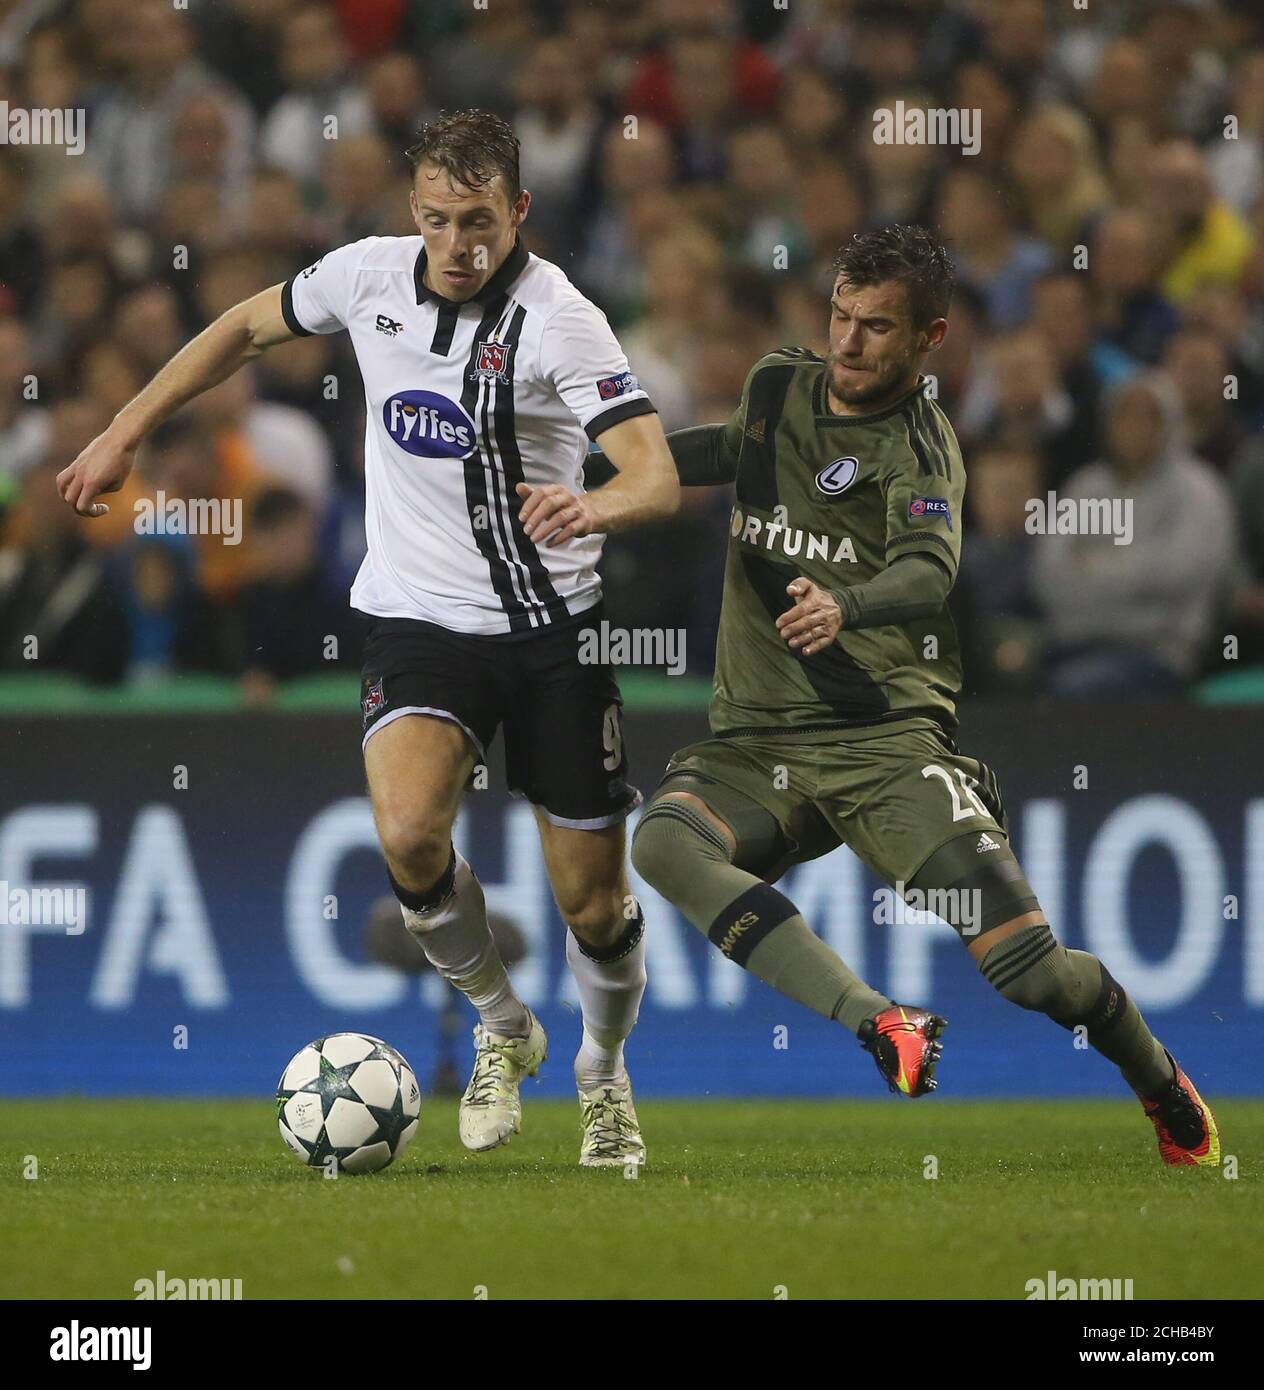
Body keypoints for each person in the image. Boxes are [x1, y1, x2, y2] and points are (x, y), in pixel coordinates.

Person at [55, 109, 681, 1168]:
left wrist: (595, 508)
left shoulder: (562, 320)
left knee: (594, 902)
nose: (456, 244)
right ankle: (503, 1023)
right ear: (413, 211)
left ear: (518, 211)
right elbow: (242, 329)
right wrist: (125, 428)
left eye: (478, 220)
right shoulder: (367, 276)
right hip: (416, 617)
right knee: (405, 837)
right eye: (436, 218)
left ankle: (603, 1072)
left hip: (551, 634)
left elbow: (655, 476)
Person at [619, 225, 1219, 1168]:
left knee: (1035, 978)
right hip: (757, 743)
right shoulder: (778, 383)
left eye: (877, 329)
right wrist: (592, 463)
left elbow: (930, 569)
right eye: (840, 318)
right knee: (662, 839)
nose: (849, 345)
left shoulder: (922, 449)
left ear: (931, 339)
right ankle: (881, 1020)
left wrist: (845, 603)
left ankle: (1156, 1077)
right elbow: (724, 450)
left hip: (884, 742)